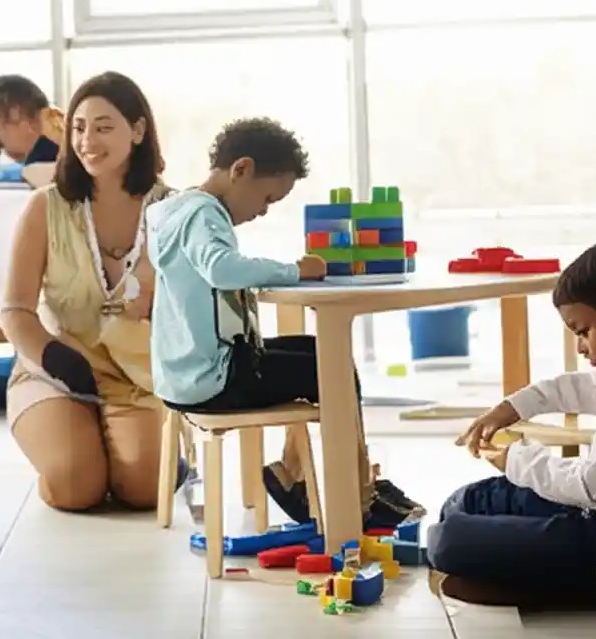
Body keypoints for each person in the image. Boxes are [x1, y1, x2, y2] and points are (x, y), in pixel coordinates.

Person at [146, 117, 423, 529]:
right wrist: (295, 270)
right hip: (215, 378)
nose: (261, 211)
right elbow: (221, 268)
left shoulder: (176, 210)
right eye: (267, 198)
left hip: (186, 373)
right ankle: (356, 496)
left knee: (321, 353)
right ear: (241, 170)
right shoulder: (204, 214)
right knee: (331, 368)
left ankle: (296, 474)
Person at [429, 240, 596, 609]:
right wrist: (512, 407)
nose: (580, 347)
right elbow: (594, 389)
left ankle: (566, 588)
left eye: (583, 330)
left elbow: (590, 486)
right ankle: (523, 573)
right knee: (463, 502)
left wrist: (513, 460)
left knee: (447, 540)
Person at [0, 71, 174, 511]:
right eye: (78, 127)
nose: (87, 140)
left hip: (136, 378)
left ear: (137, 131)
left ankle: (150, 458)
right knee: (78, 486)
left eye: (103, 127)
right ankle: (73, 449)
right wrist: (54, 357)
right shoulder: (45, 206)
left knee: (145, 492)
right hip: (58, 371)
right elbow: (14, 310)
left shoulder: (173, 209)